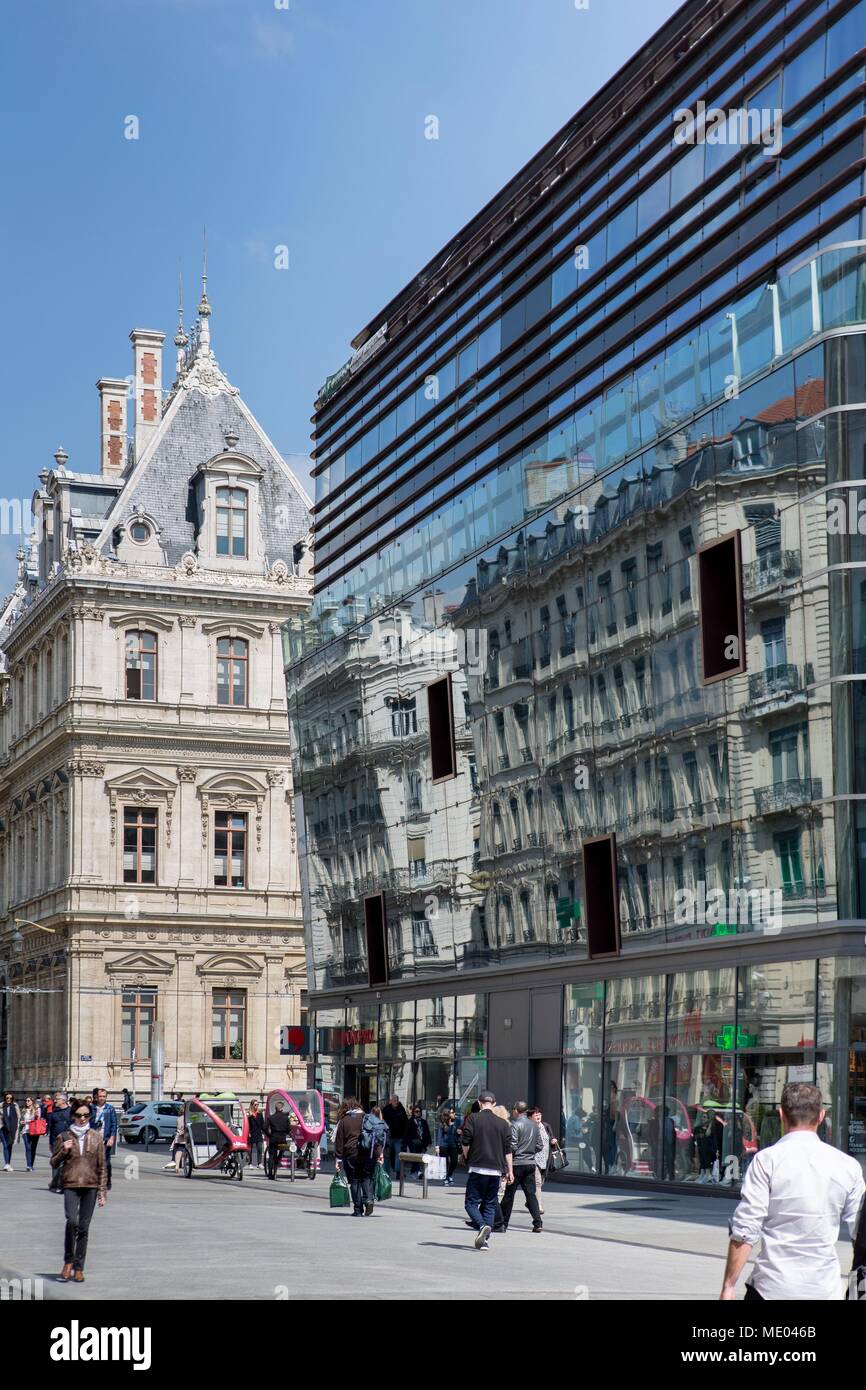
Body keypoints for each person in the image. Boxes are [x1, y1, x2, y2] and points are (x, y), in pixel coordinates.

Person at [721, 1082, 865, 1301]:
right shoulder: (848, 1166)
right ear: (821, 1115)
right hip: (825, 1288)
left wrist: (729, 1286)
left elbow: (745, 1230)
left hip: (772, 1286)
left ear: (781, 1115)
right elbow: (861, 1233)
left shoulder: (766, 1161)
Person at [51, 1099, 108, 1283]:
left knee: (84, 1228)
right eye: (78, 1115)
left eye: (85, 1115)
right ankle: (68, 1261)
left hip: (90, 1186)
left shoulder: (96, 1137)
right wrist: (64, 1151)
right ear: (73, 1116)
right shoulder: (65, 1136)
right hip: (71, 1184)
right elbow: (54, 1162)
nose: (82, 1119)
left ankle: (78, 1267)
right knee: (72, 1222)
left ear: (89, 1116)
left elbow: (102, 1166)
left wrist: (102, 1192)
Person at [461, 1091, 513, 1249]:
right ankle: (484, 1240)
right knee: (490, 1204)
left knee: (470, 1203)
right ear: (494, 1103)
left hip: (477, 1167)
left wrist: (467, 1157)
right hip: (496, 1170)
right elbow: (508, 1150)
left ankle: (482, 1226)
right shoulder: (503, 1124)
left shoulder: (473, 1118)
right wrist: (509, 1170)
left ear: (479, 1102)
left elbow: (465, 1141)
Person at [500, 1101, 544, 1233]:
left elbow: (512, 1146)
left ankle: (503, 1222)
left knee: (509, 1195)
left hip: (517, 1164)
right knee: (531, 1194)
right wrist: (530, 1152)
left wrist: (508, 1164)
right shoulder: (535, 1126)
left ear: (516, 1110)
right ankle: (538, 1223)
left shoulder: (515, 1125)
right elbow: (540, 1145)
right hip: (530, 1163)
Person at [334, 1095, 381, 1216]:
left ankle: (358, 1210)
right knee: (366, 1178)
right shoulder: (367, 1118)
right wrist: (379, 1153)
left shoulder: (344, 1120)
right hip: (366, 1153)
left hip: (350, 1154)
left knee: (354, 1181)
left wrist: (338, 1159)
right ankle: (369, 1199)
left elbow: (339, 1141)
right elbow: (376, 1136)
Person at [528, 1104, 560, 1213]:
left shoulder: (545, 1126)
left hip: (545, 1159)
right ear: (530, 1117)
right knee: (537, 1183)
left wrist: (553, 1140)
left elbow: (550, 1138)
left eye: (539, 1114)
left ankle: (530, 1201)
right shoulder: (530, 1127)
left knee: (541, 1182)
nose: (538, 1116)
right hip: (534, 1159)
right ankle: (538, 1207)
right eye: (535, 1114)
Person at [89, 1088, 117, 1191]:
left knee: (106, 1161)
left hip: (105, 1138)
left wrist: (112, 1137)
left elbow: (114, 1124)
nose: (102, 1098)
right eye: (100, 1096)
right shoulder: (91, 1108)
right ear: (96, 1096)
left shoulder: (110, 1108)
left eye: (104, 1096)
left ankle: (107, 1180)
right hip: (93, 1139)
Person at [382, 1094, 409, 1179]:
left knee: (398, 1155)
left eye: (397, 1100)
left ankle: (398, 1172)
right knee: (387, 1155)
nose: (396, 1102)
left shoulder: (401, 1109)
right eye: (394, 1100)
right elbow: (382, 1121)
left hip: (399, 1136)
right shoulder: (386, 1110)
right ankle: (386, 1173)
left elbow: (405, 1122)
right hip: (389, 1136)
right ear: (391, 1101)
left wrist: (404, 1135)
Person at [264, 1100, 291, 1175]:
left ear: (275, 1109)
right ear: (282, 1109)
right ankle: (279, 1159)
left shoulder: (271, 1117)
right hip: (282, 1140)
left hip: (273, 1139)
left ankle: (270, 1174)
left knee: (271, 1155)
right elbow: (289, 1129)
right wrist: (285, 1132)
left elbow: (264, 1127)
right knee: (283, 1149)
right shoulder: (286, 1118)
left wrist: (269, 1135)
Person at [405, 1104, 432, 1179]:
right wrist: (406, 1143)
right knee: (415, 1156)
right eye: (416, 1111)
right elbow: (406, 1133)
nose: (418, 1113)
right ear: (413, 1112)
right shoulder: (410, 1121)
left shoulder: (423, 1121)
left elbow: (427, 1132)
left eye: (419, 1111)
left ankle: (413, 1171)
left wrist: (429, 1141)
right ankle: (419, 1171)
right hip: (412, 1142)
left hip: (421, 1142)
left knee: (418, 1157)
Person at [436, 1108, 461, 1185]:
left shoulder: (456, 1122)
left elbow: (456, 1134)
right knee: (445, 1162)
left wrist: (459, 1133)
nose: (454, 1114)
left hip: (453, 1145)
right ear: (448, 1114)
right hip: (444, 1145)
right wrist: (437, 1146)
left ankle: (449, 1175)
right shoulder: (442, 1123)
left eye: (454, 1112)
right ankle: (446, 1178)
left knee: (454, 1161)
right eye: (452, 1112)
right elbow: (439, 1135)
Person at [20, 1096, 43, 1172]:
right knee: (28, 1148)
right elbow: (20, 1120)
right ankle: (28, 1165)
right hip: (25, 1131)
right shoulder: (23, 1110)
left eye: (28, 1100)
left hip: (34, 1131)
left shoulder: (36, 1109)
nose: (27, 1102)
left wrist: (37, 1111)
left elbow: (38, 1119)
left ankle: (31, 1165)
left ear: (32, 1101)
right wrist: (21, 1122)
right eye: (26, 1100)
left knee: (33, 1149)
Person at [1, 1092, 21, 1171]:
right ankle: (6, 1163)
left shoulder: (15, 1106)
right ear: (5, 1098)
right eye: (7, 1098)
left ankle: (8, 1163)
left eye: (10, 1098)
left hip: (12, 1128)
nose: (8, 1099)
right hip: (2, 1128)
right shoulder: (1, 1106)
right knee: (5, 1145)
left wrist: (17, 1126)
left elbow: (18, 1117)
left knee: (10, 1146)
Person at [247, 1100, 265, 1168]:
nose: (257, 1106)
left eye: (258, 1104)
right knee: (251, 1149)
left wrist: (264, 1132)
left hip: (258, 1133)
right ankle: (250, 1163)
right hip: (252, 1133)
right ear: (251, 1105)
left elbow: (262, 1125)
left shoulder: (260, 1114)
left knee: (260, 1148)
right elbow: (247, 1125)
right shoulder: (249, 1115)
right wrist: (248, 1133)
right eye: (255, 1105)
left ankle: (259, 1163)